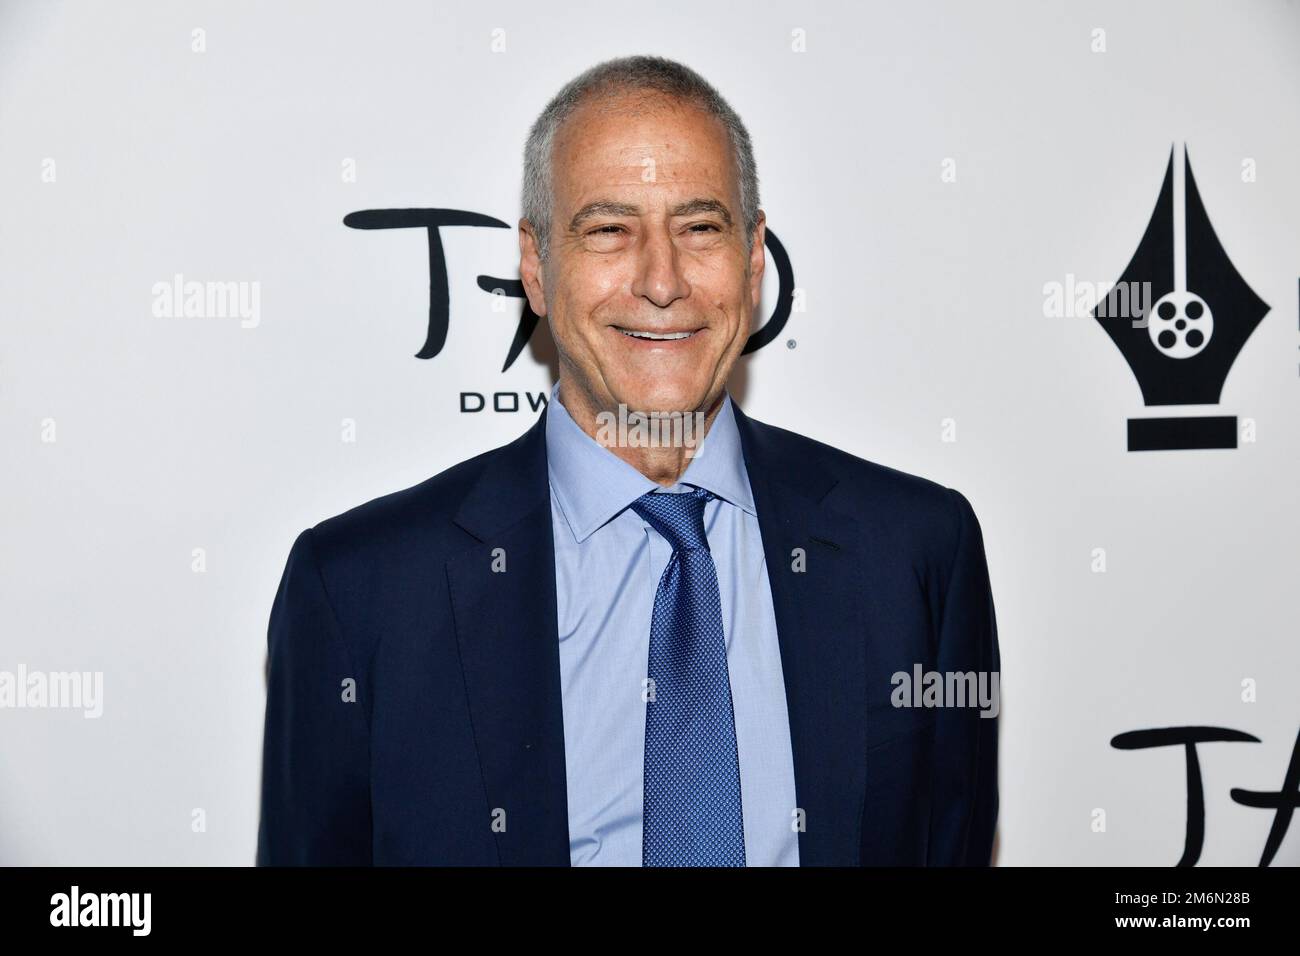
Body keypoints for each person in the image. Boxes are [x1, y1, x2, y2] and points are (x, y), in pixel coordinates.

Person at [256, 55, 1000, 866]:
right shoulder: (361, 589)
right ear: (536, 268)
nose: (661, 281)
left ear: (754, 259)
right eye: (610, 230)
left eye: (699, 228)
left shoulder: (917, 552)